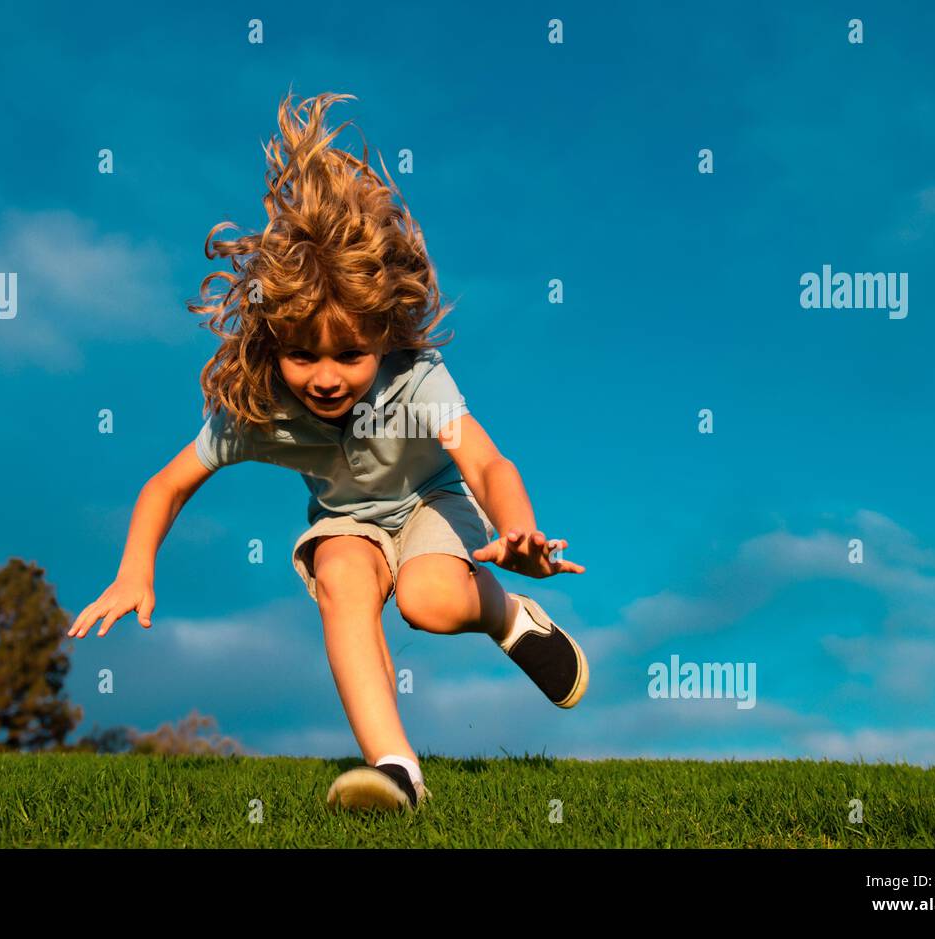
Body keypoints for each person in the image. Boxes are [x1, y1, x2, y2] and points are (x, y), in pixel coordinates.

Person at [69, 89, 589, 813]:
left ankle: (508, 617)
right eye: (302, 354)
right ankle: (397, 770)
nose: (324, 377)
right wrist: (134, 571)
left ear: (381, 336)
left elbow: (487, 463)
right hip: (351, 521)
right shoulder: (259, 409)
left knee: (429, 601)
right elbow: (166, 484)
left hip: (433, 501)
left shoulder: (415, 379)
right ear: (273, 343)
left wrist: (518, 528)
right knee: (343, 574)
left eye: (349, 353)